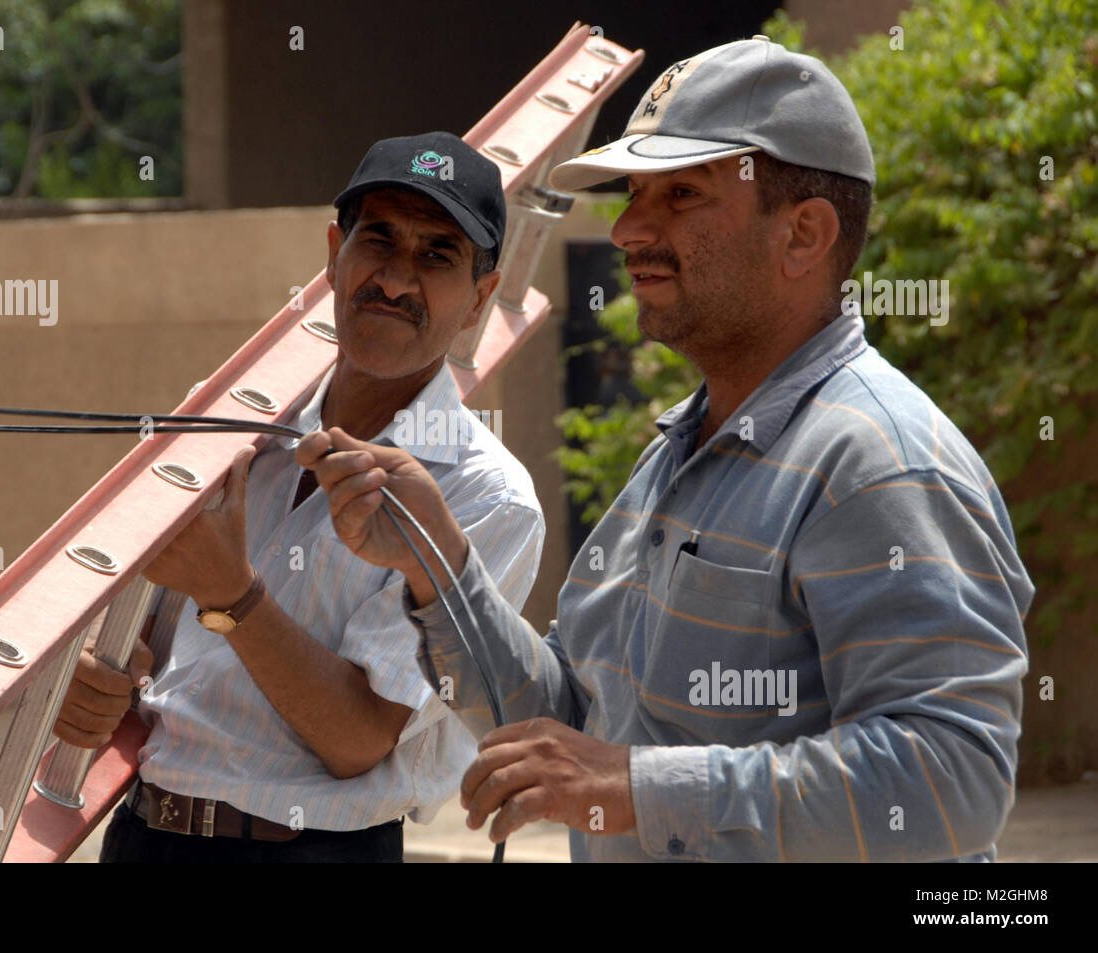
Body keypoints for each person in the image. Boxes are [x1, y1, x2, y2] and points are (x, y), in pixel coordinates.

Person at [300, 37, 1035, 862]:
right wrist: (441, 574)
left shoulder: (879, 462)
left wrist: (635, 786)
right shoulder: (682, 452)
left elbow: (951, 779)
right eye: (634, 194)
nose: (627, 229)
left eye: (681, 194)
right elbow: (575, 727)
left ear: (804, 235)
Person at [52, 131, 545, 862]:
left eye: (436, 255)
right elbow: (146, 641)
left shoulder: (485, 496)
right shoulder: (228, 426)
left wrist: (233, 594)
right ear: (333, 255)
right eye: (378, 239)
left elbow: (356, 739)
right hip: (145, 836)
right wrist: (96, 673)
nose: (397, 280)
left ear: (480, 299)